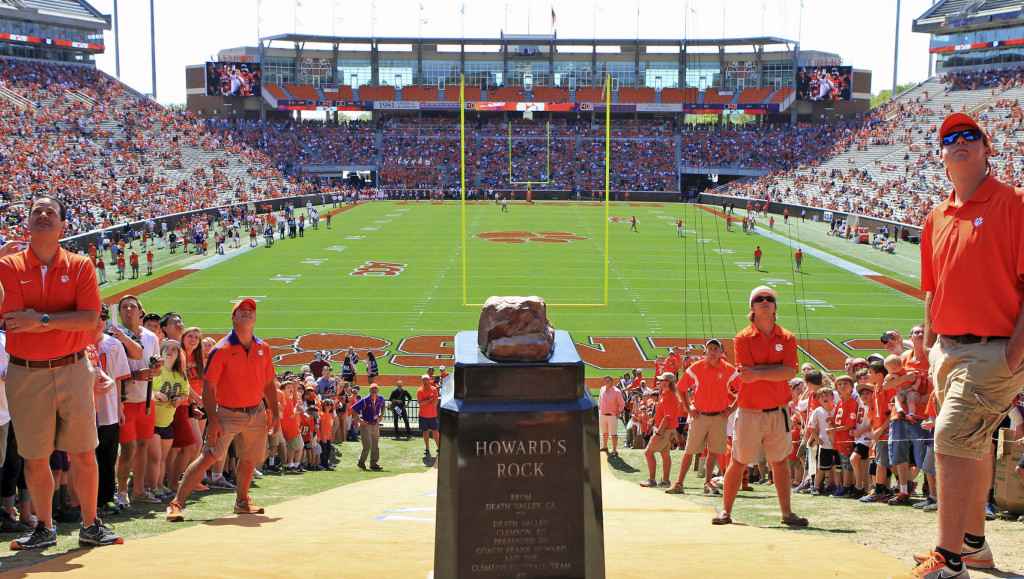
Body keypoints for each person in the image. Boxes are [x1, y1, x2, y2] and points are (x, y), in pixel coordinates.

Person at [913, 112, 1024, 579]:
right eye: (949, 138)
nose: (958, 142)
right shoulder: (936, 216)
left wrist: (1014, 353)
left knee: (950, 439)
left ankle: (949, 559)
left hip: (992, 348)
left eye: (969, 136)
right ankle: (974, 545)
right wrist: (930, 345)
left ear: (986, 148)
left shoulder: (1013, 203)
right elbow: (932, 288)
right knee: (973, 445)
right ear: (941, 156)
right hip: (949, 351)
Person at [0, 197, 122, 549]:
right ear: (26, 223)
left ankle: (90, 523)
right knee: (34, 456)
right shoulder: (8, 266)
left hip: (71, 367)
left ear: (62, 226)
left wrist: (39, 319)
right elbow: (12, 323)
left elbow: (88, 318)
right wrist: (58, 323)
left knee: (84, 451)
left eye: (49, 212)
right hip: (27, 370)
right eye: (36, 211)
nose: (42, 215)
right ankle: (44, 526)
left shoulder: (81, 265)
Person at [165, 298, 280, 522]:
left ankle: (242, 501)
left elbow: (268, 383)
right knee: (209, 456)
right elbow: (209, 386)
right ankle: (176, 503)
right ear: (233, 317)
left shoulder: (262, 348)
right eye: (242, 310)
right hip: (228, 412)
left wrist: (274, 411)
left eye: (251, 310)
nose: (247, 313)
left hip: (256, 411)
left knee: (249, 459)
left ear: (255, 317)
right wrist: (214, 419)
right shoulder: (222, 349)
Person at [713, 285, 807, 527]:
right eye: (759, 299)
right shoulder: (742, 338)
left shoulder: (787, 337)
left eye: (770, 299)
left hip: (778, 409)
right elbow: (747, 374)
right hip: (750, 410)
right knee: (739, 460)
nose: (765, 302)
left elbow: (788, 372)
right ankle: (726, 511)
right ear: (752, 307)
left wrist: (758, 373)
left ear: (775, 307)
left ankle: (787, 513)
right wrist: (770, 372)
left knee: (780, 462)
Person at [670, 339, 736, 495]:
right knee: (689, 450)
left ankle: (707, 482)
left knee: (713, 452)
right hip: (699, 416)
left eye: (715, 348)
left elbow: (744, 390)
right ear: (705, 351)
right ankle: (679, 483)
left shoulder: (729, 369)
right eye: (710, 348)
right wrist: (688, 408)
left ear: (721, 352)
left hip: (719, 417)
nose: (712, 351)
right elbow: (681, 388)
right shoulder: (697, 367)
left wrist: (732, 409)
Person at [640, 373, 680, 488]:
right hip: (668, 429)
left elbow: (667, 417)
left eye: (662, 380)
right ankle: (666, 480)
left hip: (664, 430)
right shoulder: (666, 394)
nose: (659, 382)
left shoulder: (669, 396)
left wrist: (658, 433)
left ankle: (652, 480)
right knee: (665, 454)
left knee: (648, 453)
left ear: (668, 382)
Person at [352, 384, 385, 471]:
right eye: (372, 390)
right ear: (369, 391)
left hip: (375, 424)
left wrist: (381, 415)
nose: (374, 392)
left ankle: (374, 463)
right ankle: (361, 462)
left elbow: (383, 405)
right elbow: (353, 409)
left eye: (375, 390)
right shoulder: (364, 400)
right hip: (366, 425)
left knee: (375, 445)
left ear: (378, 391)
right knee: (367, 445)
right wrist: (359, 420)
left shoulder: (380, 398)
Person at [598, 376, 625, 456]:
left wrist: (618, 412)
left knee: (613, 434)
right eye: (605, 381)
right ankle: (605, 447)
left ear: (612, 382)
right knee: (604, 433)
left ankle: (614, 450)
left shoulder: (617, 391)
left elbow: (622, 404)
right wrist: (600, 409)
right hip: (602, 415)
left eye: (608, 381)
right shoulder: (602, 389)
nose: (606, 382)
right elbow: (600, 399)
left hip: (612, 416)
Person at [417, 374, 440, 460]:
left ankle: (439, 448)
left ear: (429, 380)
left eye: (427, 379)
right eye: (424, 380)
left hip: (432, 415)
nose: (425, 381)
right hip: (423, 415)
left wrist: (426, 401)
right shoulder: (419, 390)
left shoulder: (434, 389)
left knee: (436, 433)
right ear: (422, 381)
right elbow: (420, 403)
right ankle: (427, 449)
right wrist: (429, 400)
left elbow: (435, 403)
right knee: (425, 433)